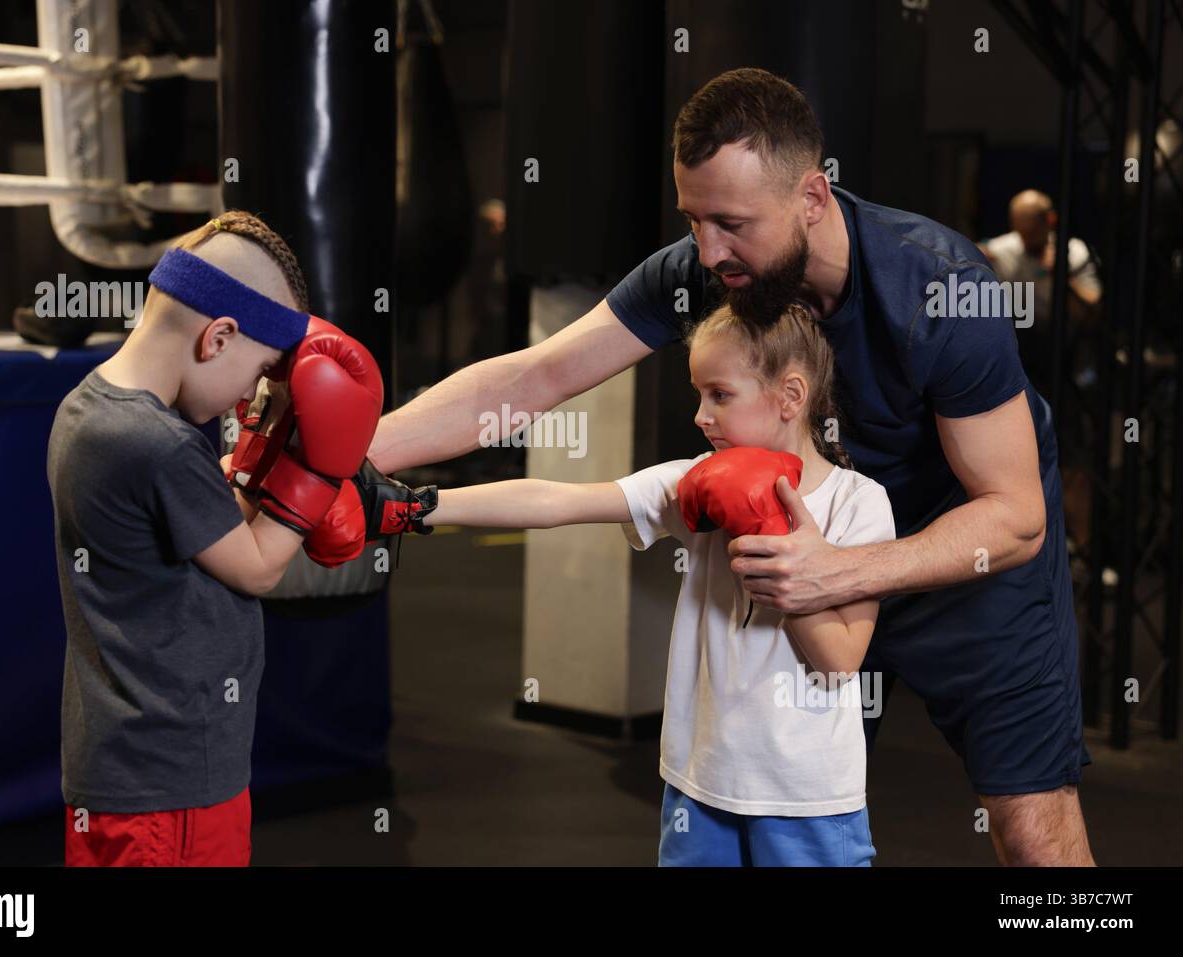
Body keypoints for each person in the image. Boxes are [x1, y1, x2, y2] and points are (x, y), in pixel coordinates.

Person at [351, 68, 1096, 865]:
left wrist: (839, 571)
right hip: (808, 558)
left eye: (733, 222)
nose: (709, 250)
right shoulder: (701, 273)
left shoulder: (938, 289)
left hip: (967, 560)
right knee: (795, 792)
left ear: (812, 197)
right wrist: (348, 454)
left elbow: (1016, 515)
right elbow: (533, 378)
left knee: (1030, 826)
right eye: (694, 219)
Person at [363, 301, 895, 866]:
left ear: (790, 395)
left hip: (807, 801)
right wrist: (415, 507)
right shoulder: (694, 483)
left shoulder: (857, 504)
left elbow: (839, 660)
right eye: (697, 395)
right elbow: (558, 502)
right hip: (699, 785)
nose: (700, 415)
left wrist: (771, 538)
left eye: (719, 394)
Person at [46, 211, 380, 866]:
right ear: (218, 337)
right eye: (259, 372)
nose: (251, 397)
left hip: (119, 768)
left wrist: (262, 451)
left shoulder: (89, 409)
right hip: (173, 788)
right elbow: (256, 567)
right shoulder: (159, 443)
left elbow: (210, 523)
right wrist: (317, 467)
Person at [981, 189, 1102, 553]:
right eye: (1018, 231)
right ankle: (1022, 547)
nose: (1023, 240)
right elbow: (974, 252)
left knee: (1074, 461)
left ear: (1048, 223)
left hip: (1067, 365)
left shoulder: (1074, 253)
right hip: (1019, 363)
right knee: (1015, 458)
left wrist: (1058, 274)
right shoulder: (1004, 248)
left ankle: (1081, 549)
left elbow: (1094, 314)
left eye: (1030, 231)